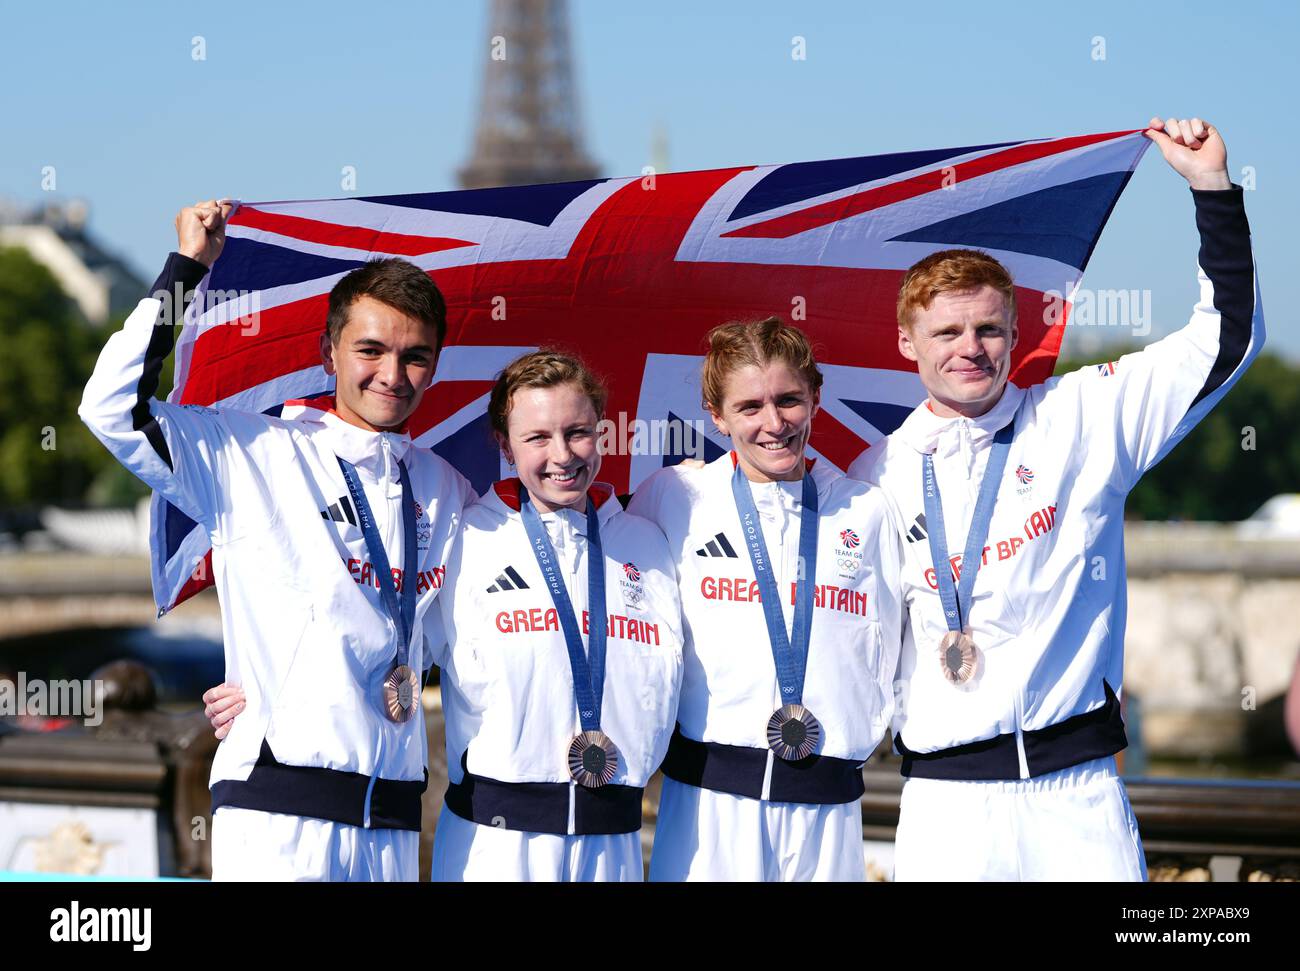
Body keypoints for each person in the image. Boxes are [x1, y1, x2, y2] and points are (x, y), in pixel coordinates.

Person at [846, 117, 1265, 880]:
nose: (969, 348)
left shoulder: (1081, 416)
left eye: (988, 328)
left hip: (1076, 798)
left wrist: (1210, 188)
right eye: (946, 331)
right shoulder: (875, 473)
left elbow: (1227, 339)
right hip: (945, 802)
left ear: (1015, 331)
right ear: (907, 341)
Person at [81, 201, 475, 880]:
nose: (392, 373)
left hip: (393, 822)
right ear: (329, 353)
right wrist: (187, 269)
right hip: (278, 816)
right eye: (371, 350)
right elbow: (111, 408)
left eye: (415, 357)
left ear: (435, 366)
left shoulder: (446, 490)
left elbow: (469, 636)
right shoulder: (253, 450)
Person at [629, 317, 904, 881]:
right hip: (711, 806)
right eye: (749, 407)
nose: (774, 423)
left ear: (816, 398)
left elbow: (895, 645)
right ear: (716, 415)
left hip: (829, 805)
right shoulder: (673, 498)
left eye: (789, 400)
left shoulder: (867, 510)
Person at [428, 350, 684, 881]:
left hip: (612, 841)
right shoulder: (468, 539)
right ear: (504, 444)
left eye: (578, 432)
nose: (562, 455)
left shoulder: (647, 542)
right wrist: (262, 689)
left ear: (602, 432)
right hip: (496, 843)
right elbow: (387, 641)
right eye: (537, 438)